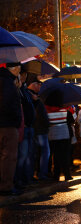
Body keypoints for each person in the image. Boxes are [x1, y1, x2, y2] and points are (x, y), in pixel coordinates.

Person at [0, 62, 22, 196]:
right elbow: (9, 105)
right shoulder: (8, 84)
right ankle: (6, 186)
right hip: (8, 125)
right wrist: (16, 120)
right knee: (9, 157)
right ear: (16, 69)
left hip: (4, 123)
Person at [45, 90, 74, 182]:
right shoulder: (64, 109)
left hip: (52, 134)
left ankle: (56, 175)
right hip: (64, 134)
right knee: (65, 155)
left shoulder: (47, 110)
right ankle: (67, 174)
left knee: (55, 156)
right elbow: (71, 120)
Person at [26, 75, 51, 180]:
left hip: (39, 129)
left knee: (37, 153)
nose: (40, 86)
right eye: (38, 84)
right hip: (39, 129)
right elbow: (37, 114)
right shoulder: (32, 96)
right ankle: (40, 174)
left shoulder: (33, 96)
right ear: (33, 84)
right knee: (43, 152)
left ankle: (36, 174)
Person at [15, 69, 36, 187]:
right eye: (22, 75)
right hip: (23, 127)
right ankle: (19, 179)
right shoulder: (18, 91)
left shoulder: (25, 91)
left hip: (28, 126)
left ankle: (27, 177)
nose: (23, 77)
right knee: (22, 155)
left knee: (28, 154)